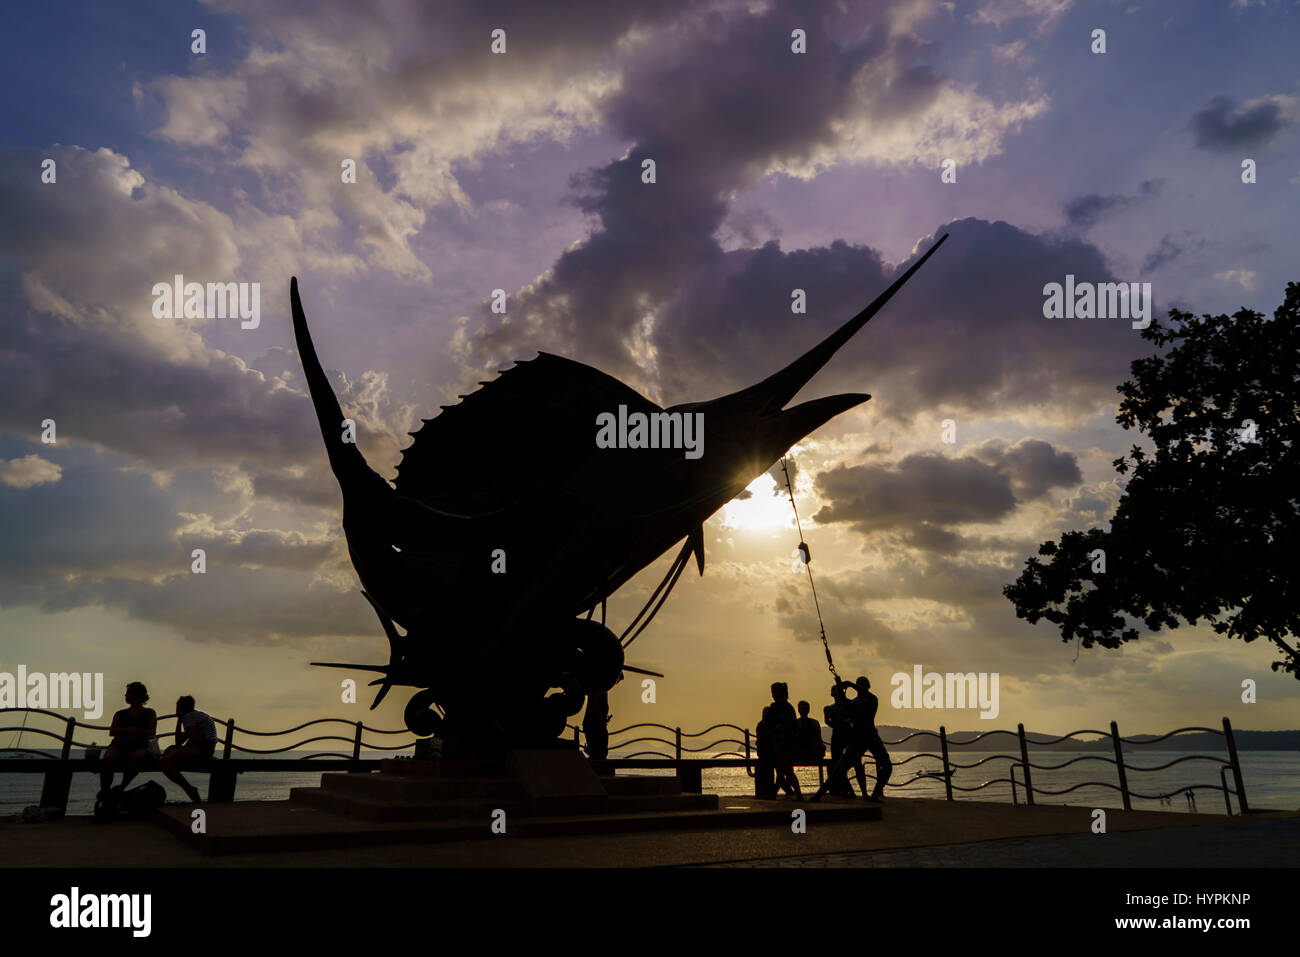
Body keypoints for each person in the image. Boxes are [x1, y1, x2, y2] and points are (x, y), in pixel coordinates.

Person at [99, 682, 157, 793]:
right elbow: (112, 731)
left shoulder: (150, 713)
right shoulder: (120, 713)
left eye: (128, 693)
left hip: (140, 744)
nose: (125, 696)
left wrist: (139, 732)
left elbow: (152, 732)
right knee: (108, 759)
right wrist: (129, 730)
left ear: (137, 695)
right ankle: (105, 791)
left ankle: (122, 787)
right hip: (119, 744)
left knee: (137, 758)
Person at [159, 695, 218, 803]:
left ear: (180, 708)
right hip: (207, 748)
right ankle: (189, 789)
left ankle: (189, 788)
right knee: (169, 751)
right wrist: (179, 721)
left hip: (201, 748)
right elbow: (179, 742)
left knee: (163, 761)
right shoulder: (195, 716)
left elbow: (194, 739)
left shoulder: (188, 718)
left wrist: (179, 751)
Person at [850, 675, 892, 802]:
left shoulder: (872, 699)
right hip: (858, 737)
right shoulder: (853, 702)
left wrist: (850, 684)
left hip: (871, 736)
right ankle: (864, 794)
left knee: (887, 765)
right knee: (852, 766)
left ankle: (875, 793)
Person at [822, 683, 864, 797]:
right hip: (838, 737)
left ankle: (861, 792)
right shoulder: (829, 708)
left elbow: (855, 717)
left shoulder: (850, 705)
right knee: (838, 764)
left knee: (856, 763)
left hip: (849, 736)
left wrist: (843, 722)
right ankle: (850, 790)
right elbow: (827, 721)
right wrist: (837, 725)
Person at [768, 682, 801, 799]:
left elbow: (770, 725)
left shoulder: (777, 708)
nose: (772, 695)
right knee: (784, 771)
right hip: (785, 744)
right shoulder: (788, 708)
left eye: (773, 693)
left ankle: (796, 793)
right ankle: (794, 793)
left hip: (782, 745)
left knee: (784, 771)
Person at [754, 705, 776, 799]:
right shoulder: (769, 725)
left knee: (768, 773)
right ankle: (769, 791)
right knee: (770, 774)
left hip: (764, 753)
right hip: (768, 753)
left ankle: (766, 792)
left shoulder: (761, 724)